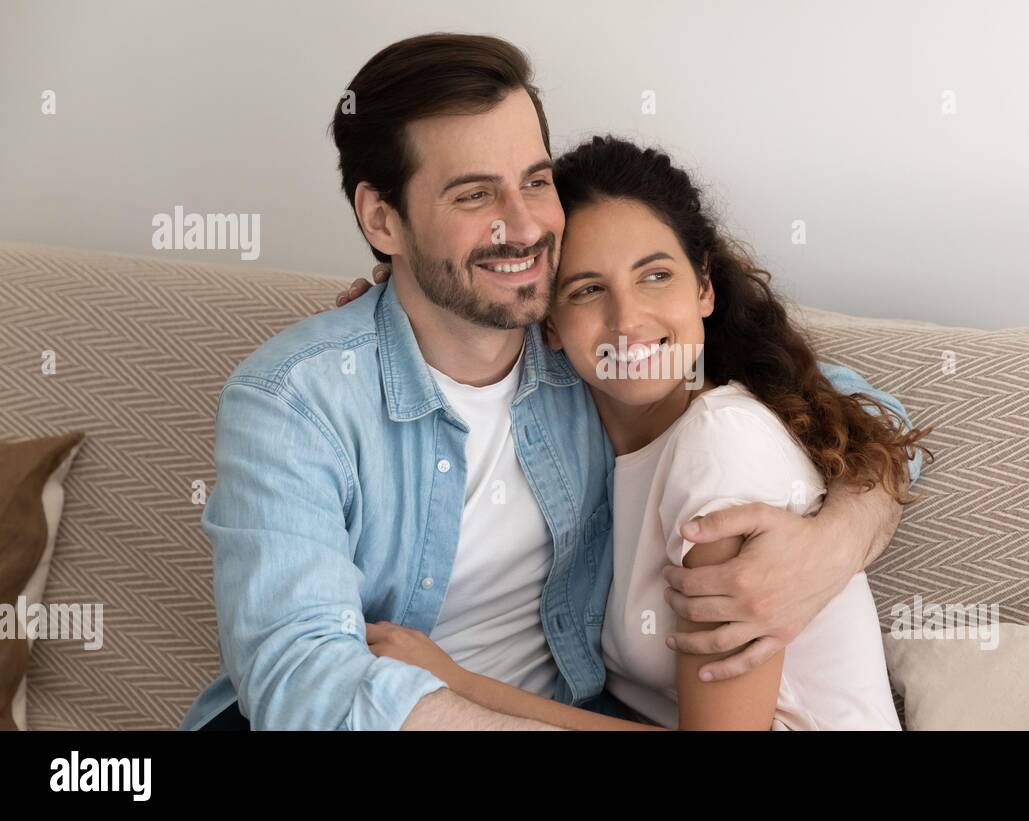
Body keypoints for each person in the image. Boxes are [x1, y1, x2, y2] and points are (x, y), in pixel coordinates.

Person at [180, 33, 925, 731]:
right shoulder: (296, 398)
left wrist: (826, 548)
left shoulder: (588, 345)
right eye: (474, 195)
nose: (523, 226)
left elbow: (854, 414)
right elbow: (300, 679)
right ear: (384, 220)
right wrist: (458, 697)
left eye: (534, 181)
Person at [357, 136, 930, 729]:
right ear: (549, 323)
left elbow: (878, 417)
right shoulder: (599, 437)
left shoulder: (721, 443)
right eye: (587, 289)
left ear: (704, 288)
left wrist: (452, 683)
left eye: (655, 275)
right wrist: (404, 299)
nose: (627, 321)